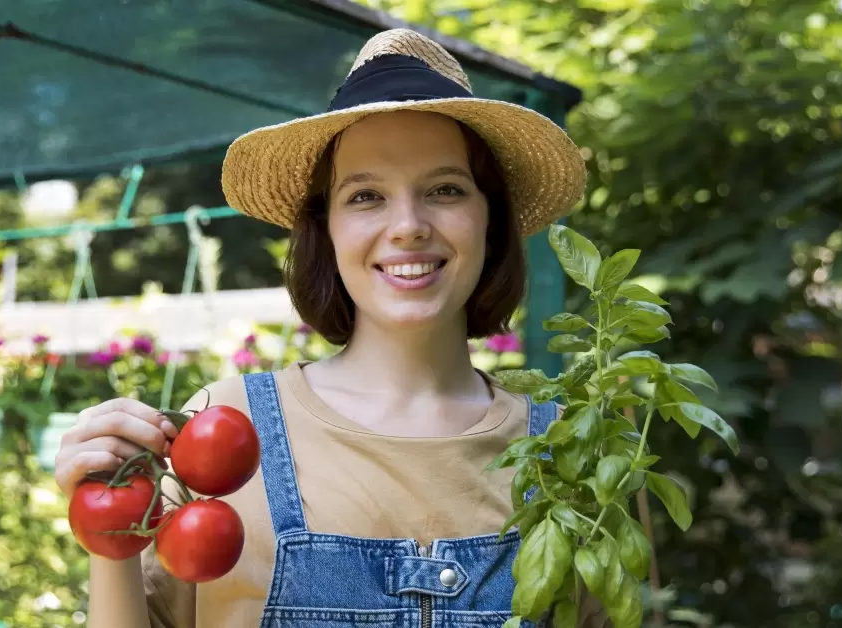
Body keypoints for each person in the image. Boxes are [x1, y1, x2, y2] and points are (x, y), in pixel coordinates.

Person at [54, 28, 599, 627]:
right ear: (326, 228)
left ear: (490, 221)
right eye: (366, 196)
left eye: (445, 189)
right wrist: (107, 528)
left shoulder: (569, 452)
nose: (408, 226)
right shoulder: (221, 430)